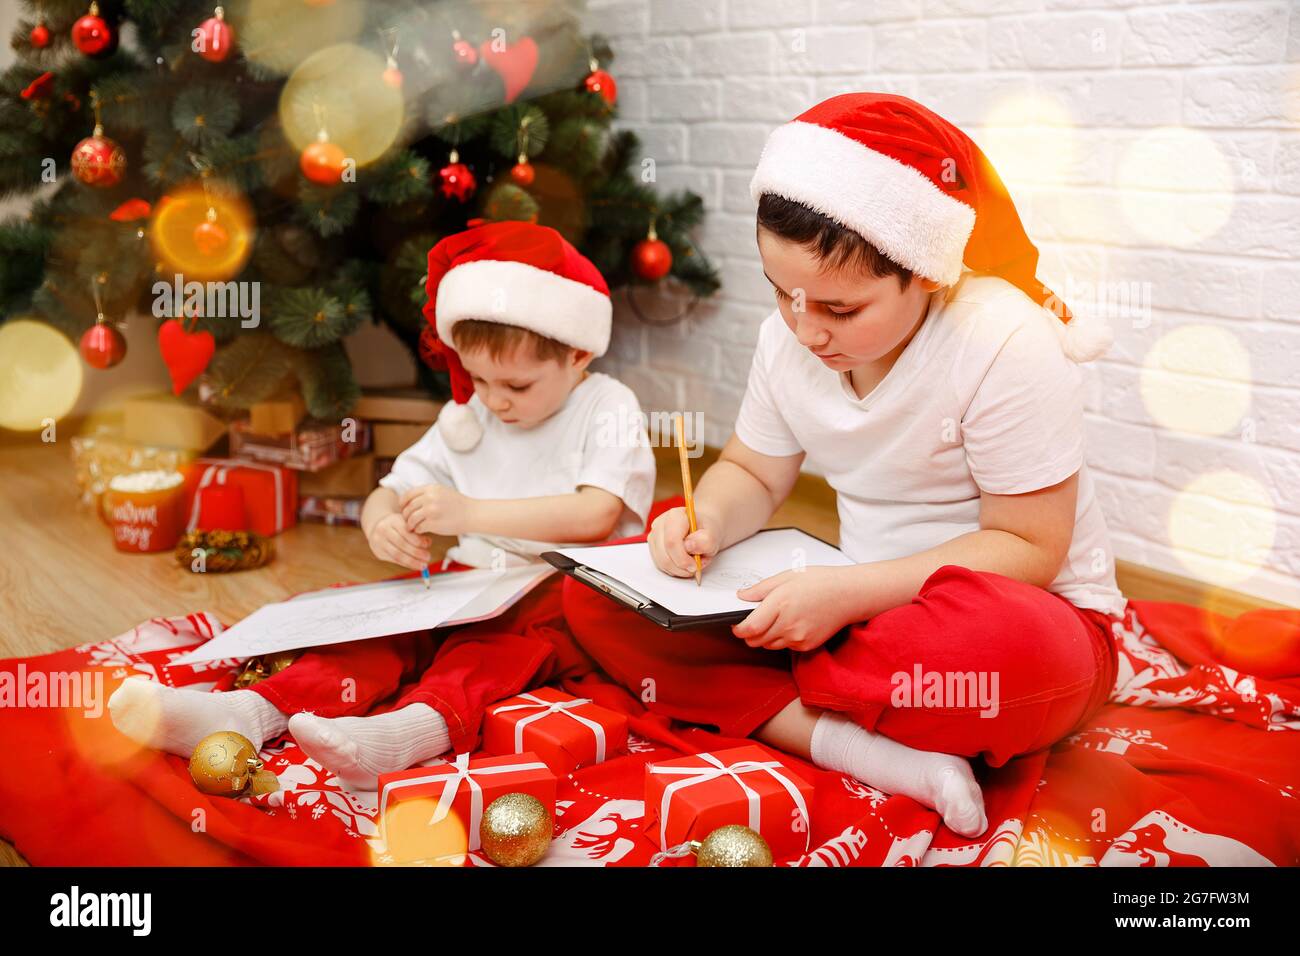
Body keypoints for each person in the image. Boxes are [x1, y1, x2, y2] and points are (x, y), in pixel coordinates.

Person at [560, 92, 1128, 838]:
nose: (804, 329)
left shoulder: (1000, 338)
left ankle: (771, 694)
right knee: (598, 595)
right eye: (783, 295)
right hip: (847, 607)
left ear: (926, 272)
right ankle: (852, 738)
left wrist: (843, 597)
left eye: (841, 309)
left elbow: (1030, 546)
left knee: (1008, 656)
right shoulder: (786, 339)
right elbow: (754, 473)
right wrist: (708, 524)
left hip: (1013, 608)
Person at [109, 221, 656, 789]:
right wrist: (382, 523)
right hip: (474, 583)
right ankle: (245, 714)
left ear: (577, 353)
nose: (494, 400)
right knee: (374, 633)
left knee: (488, 652)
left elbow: (596, 515)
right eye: (477, 378)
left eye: (516, 386)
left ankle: (404, 735)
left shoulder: (606, 405)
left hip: (568, 589)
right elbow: (389, 489)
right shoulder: (472, 416)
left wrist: (468, 514)